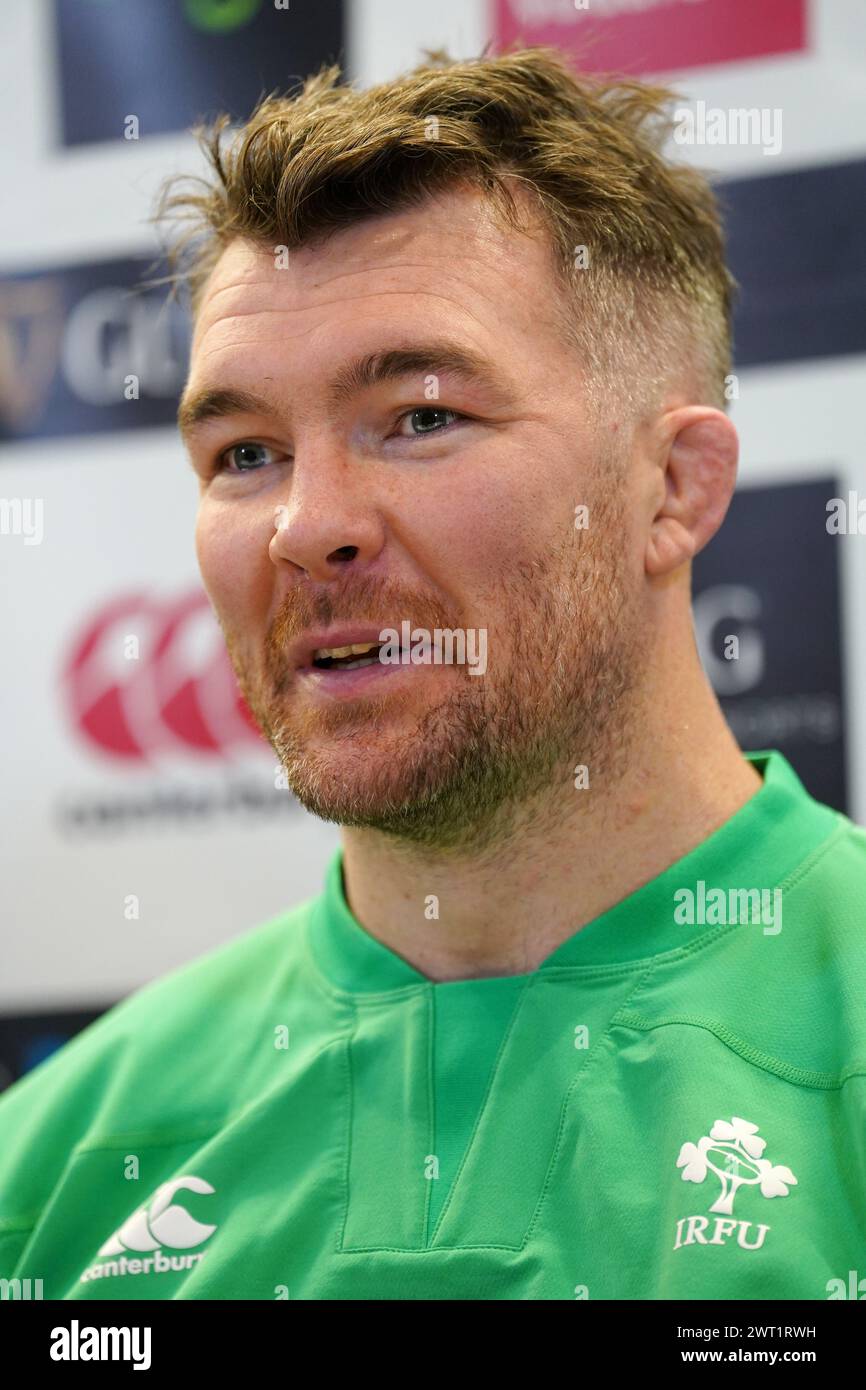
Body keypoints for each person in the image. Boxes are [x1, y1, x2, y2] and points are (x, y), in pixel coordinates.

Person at [1, 46, 864, 1302]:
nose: (305, 525)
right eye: (243, 452)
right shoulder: (60, 1162)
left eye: (421, 417)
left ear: (671, 488)